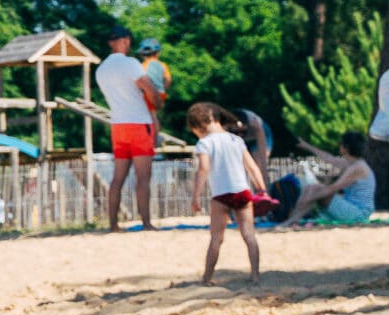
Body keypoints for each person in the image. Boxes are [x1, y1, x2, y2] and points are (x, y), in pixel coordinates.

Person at [190, 102, 268, 284]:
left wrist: (196, 195)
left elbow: (203, 169)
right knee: (249, 235)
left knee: (216, 238)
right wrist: (262, 189)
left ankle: (207, 278)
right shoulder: (236, 140)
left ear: (198, 126)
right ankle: (255, 275)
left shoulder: (204, 143)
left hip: (221, 195)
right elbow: (252, 167)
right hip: (242, 192)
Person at [94, 28, 162, 230]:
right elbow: (149, 88)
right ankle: (146, 223)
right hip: (139, 124)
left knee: (117, 179)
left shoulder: (101, 69)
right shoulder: (131, 64)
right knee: (143, 177)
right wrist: (157, 103)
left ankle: (113, 224)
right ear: (125, 41)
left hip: (118, 126)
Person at [272, 132, 376, 225]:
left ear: (346, 148)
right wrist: (307, 146)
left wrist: (309, 198)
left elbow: (333, 188)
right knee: (312, 189)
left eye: (341, 143)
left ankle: (294, 219)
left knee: (314, 189)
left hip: (358, 214)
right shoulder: (352, 164)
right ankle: (294, 218)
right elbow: (328, 158)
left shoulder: (357, 167)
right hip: (353, 209)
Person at [138, 39, 171, 120]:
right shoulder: (163, 65)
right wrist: (162, 89)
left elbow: (140, 81)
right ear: (158, 53)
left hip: (148, 94)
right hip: (160, 94)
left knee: (146, 116)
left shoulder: (142, 66)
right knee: (153, 115)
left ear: (142, 54)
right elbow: (168, 80)